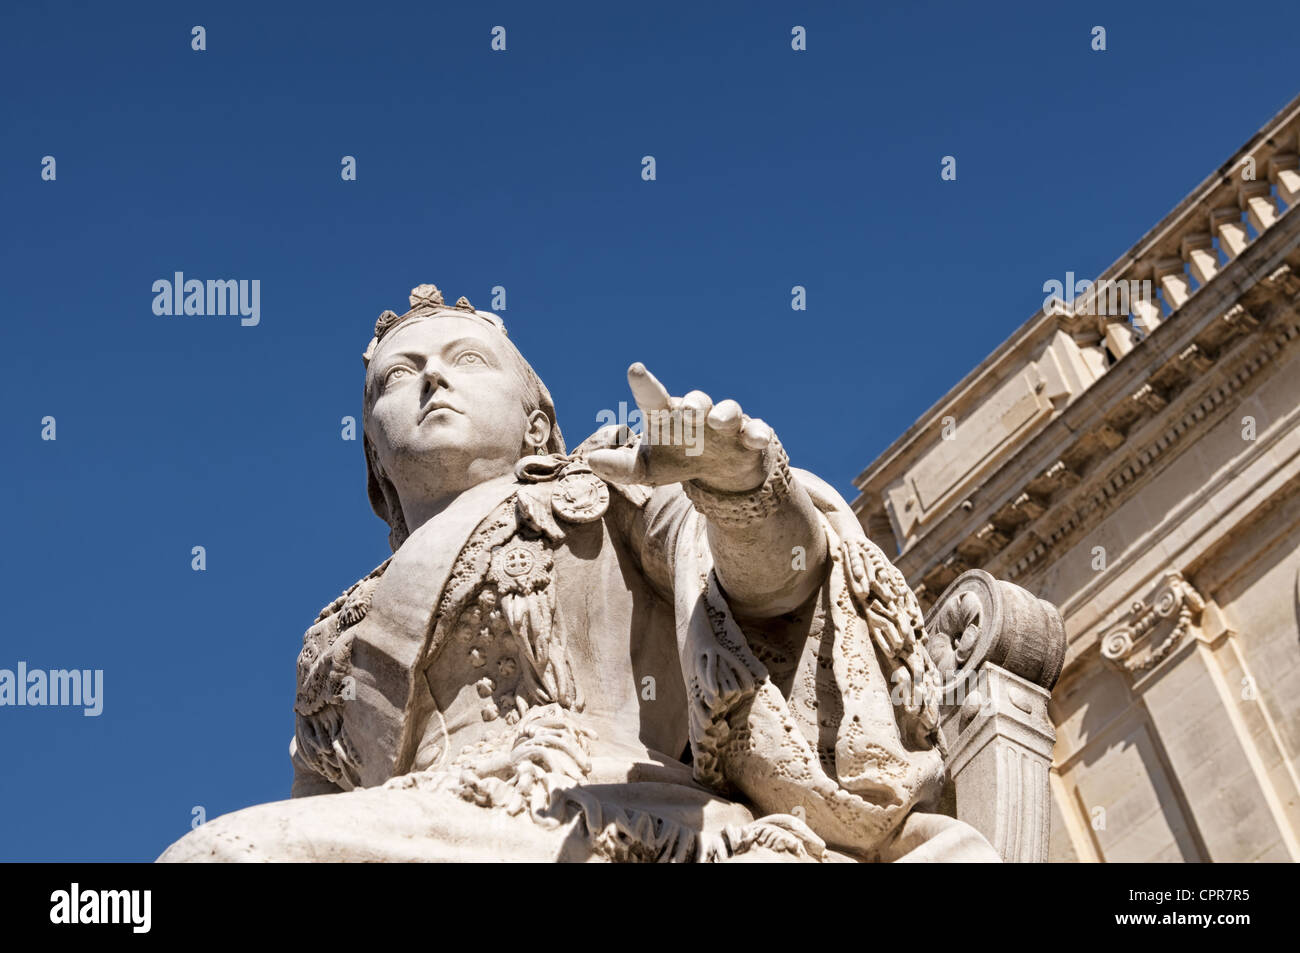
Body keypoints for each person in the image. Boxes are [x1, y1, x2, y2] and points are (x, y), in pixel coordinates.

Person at [158, 284, 998, 862]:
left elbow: (778, 594)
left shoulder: (609, 483)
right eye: (398, 378)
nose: (434, 377)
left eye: (467, 360)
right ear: (376, 461)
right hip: (413, 830)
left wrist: (738, 489)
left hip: (597, 811)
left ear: (537, 424)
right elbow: (319, 815)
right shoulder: (334, 637)